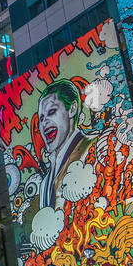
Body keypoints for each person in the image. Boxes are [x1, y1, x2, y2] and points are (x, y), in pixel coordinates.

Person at [33, 80, 92, 210]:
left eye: (51, 112)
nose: (44, 123)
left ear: (72, 109)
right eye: (41, 118)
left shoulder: (93, 149)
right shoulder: (45, 183)